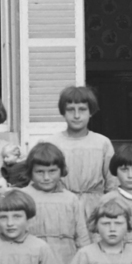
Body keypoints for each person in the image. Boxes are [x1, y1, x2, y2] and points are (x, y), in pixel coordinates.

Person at [55, 85, 114, 219]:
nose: (76, 116)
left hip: (95, 208)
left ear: (91, 112)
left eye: (82, 109)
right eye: (70, 110)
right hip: (62, 207)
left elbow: (112, 183)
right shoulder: (52, 143)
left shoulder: (102, 143)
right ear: (63, 112)